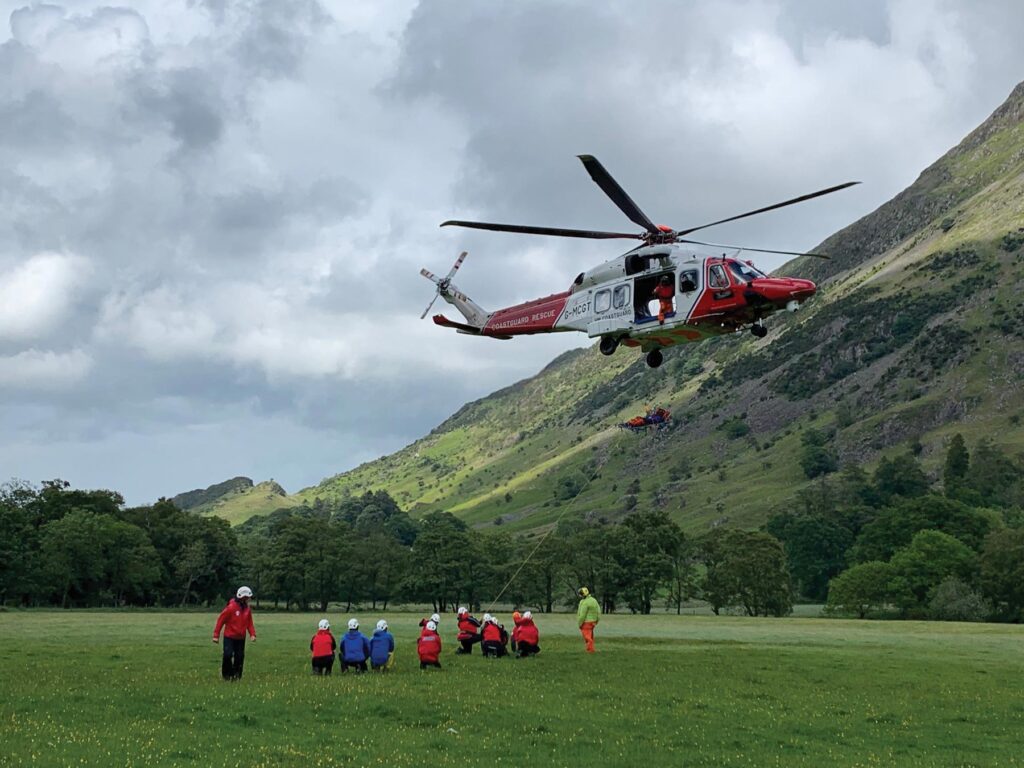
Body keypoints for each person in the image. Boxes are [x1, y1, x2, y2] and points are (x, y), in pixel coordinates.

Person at [213, 586, 256, 680]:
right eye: (247, 598)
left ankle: (237, 676)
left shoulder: (247, 609)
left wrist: (252, 634)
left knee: (239, 657)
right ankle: (226, 675)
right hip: (229, 637)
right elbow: (221, 621)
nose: (249, 599)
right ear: (242, 598)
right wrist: (216, 635)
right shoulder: (231, 608)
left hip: (241, 638)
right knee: (227, 655)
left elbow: (249, 623)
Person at [577, 586, 600, 654]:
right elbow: (598, 611)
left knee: (587, 637)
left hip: (586, 623)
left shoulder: (584, 603)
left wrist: (579, 624)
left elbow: (582, 615)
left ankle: (590, 650)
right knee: (590, 636)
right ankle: (590, 649)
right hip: (593, 622)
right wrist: (597, 621)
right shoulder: (594, 600)